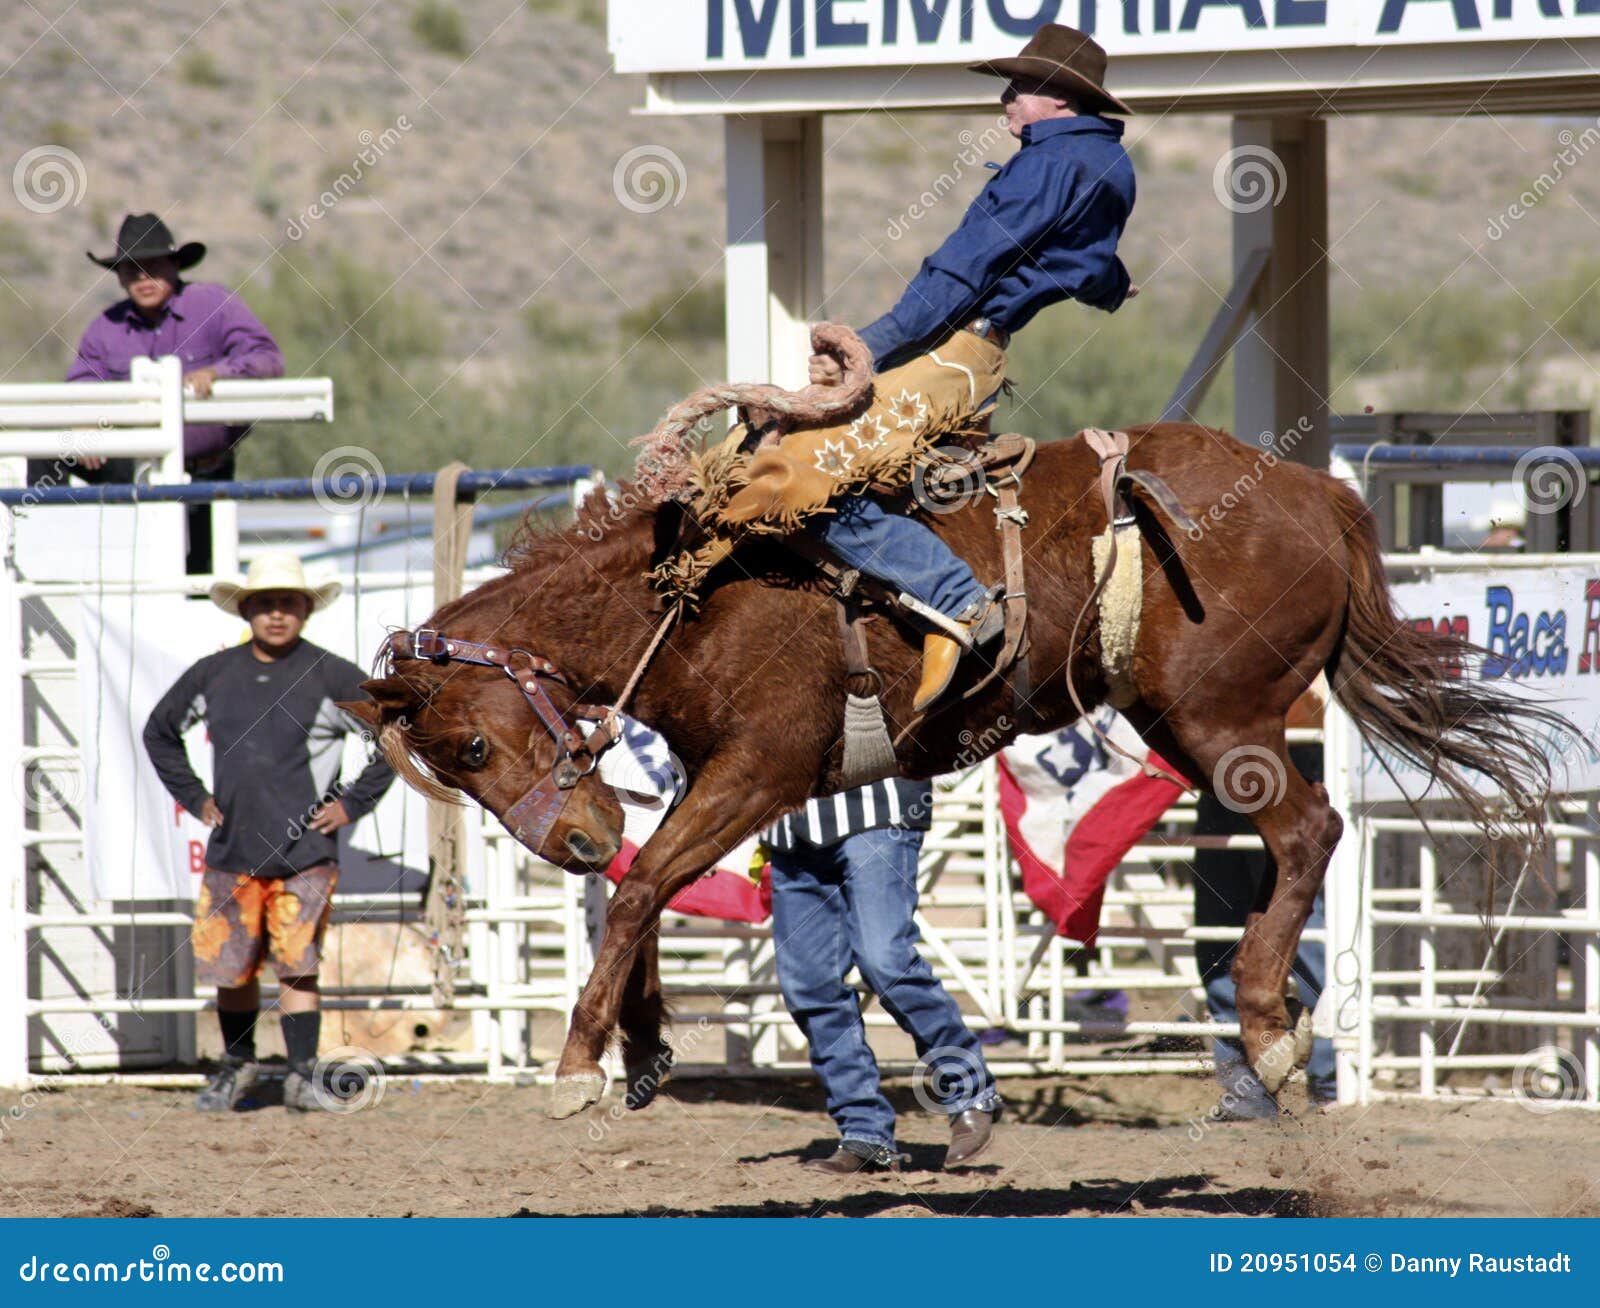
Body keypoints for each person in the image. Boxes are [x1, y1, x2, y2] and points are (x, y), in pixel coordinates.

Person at [708, 24, 1138, 713]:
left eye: (1020, 87)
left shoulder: (1047, 164)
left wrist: (870, 346)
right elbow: (1087, 260)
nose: (1006, 98)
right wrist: (1113, 286)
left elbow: (965, 268)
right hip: (973, 351)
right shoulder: (1104, 164)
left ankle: (956, 599)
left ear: (1058, 99)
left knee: (792, 475)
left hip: (951, 351)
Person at [142, 553, 395, 1113]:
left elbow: (392, 738)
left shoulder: (331, 674)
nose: (277, 614)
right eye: (265, 604)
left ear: (305, 610)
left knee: (297, 965)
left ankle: (302, 1073)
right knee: (231, 966)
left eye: (288, 604)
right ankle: (238, 1066)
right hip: (233, 850)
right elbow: (159, 731)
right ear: (248, 610)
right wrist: (194, 798)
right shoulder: (213, 673)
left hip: (305, 853)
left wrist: (352, 804)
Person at [767, 778, 1001, 1174]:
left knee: (885, 959)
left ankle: (970, 1091)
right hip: (788, 823)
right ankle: (865, 1132)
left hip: (879, 808)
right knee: (809, 984)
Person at [42, 213, 284, 571]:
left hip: (207, 470)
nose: (142, 277)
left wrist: (218, 372)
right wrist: (85, 422)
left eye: (152, 266)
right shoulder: (105, 327)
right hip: (132, 467)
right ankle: (50, 562)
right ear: (120, 277)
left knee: (205, 575)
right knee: (47, 454)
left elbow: (266, 358)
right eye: (131, 268)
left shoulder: (213, 304)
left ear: (174, 265)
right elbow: (83, 381)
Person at [1192, 740, 1337, 1120]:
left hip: (1283, 760)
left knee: (1295, 933)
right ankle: (1250, 1086)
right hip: (1217, 764)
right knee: (1223, 937)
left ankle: (1326, 1078)